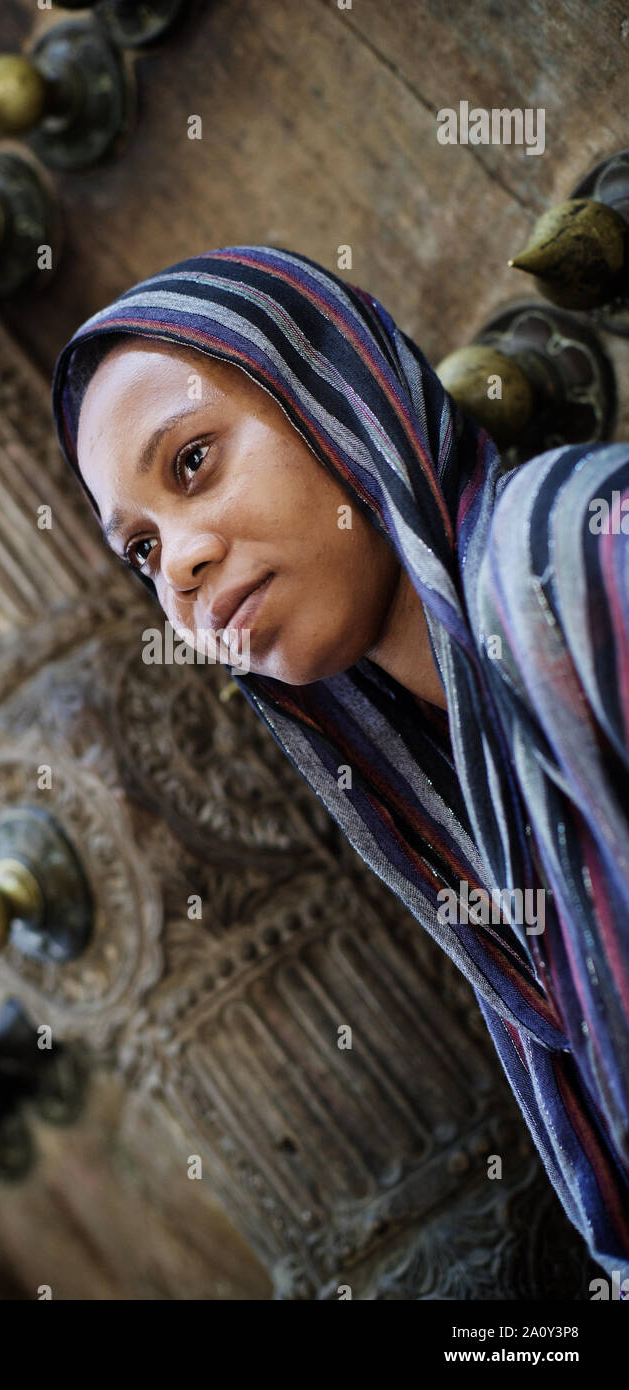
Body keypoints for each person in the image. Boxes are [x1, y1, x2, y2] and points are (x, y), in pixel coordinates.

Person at [51, 244, 629, 1282]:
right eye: (139, 550)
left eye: (191, 462)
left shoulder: (573, 555)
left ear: (333, 397)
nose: (176, 563)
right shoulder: (445, 817)